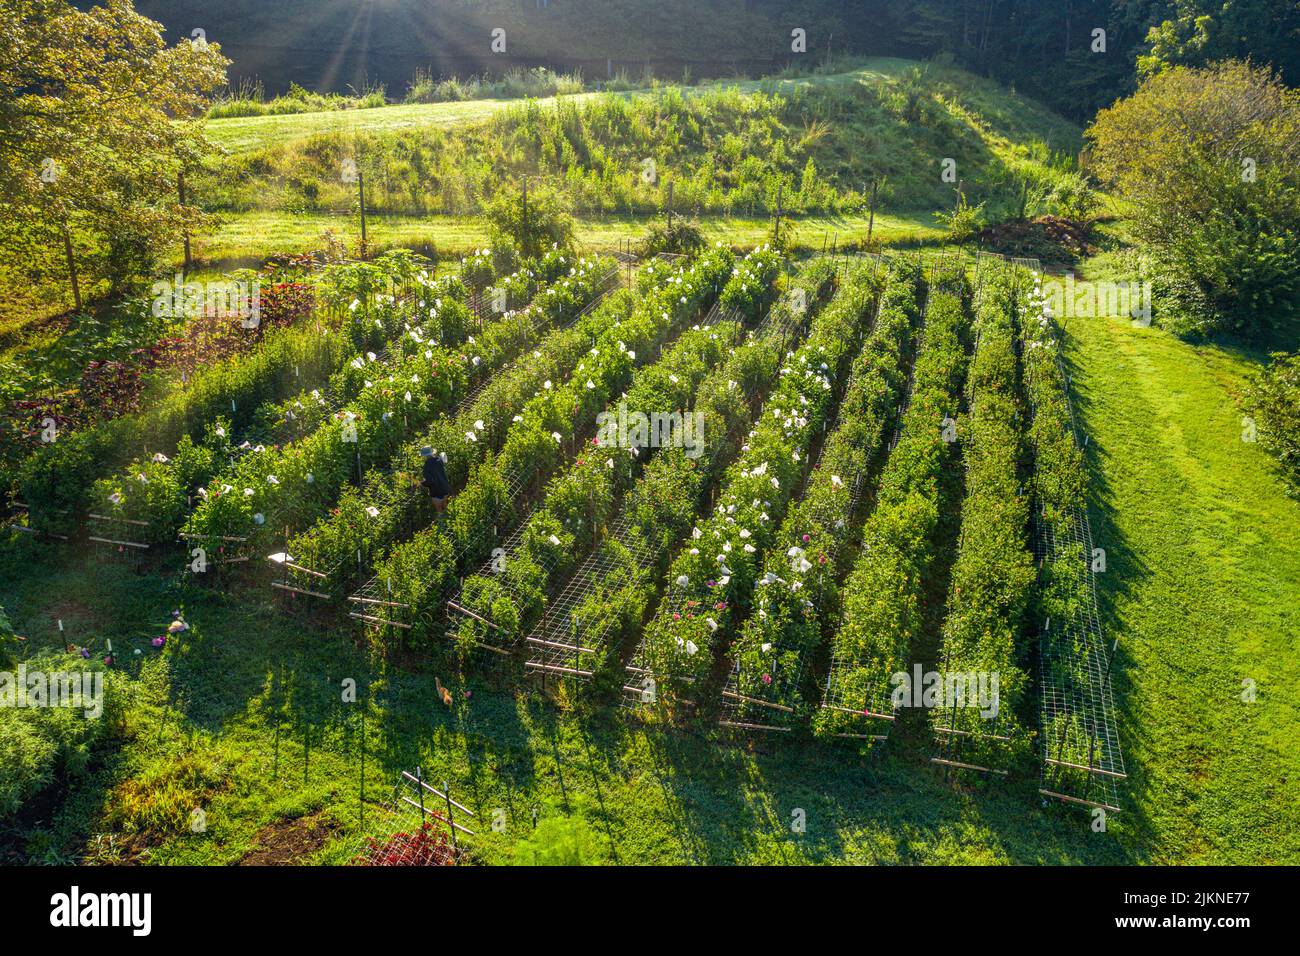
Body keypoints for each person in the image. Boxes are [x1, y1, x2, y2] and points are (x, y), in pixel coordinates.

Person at [420, 447, 452, 512]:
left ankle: (442, 520)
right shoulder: (439, 460)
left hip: (437, 492)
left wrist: (422, 483)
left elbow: (430, 481)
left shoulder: (427, 466)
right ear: (432, 453)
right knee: (445, 504)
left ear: (424, 456)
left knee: (439, 508)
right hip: (445, 488)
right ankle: (449, 516)